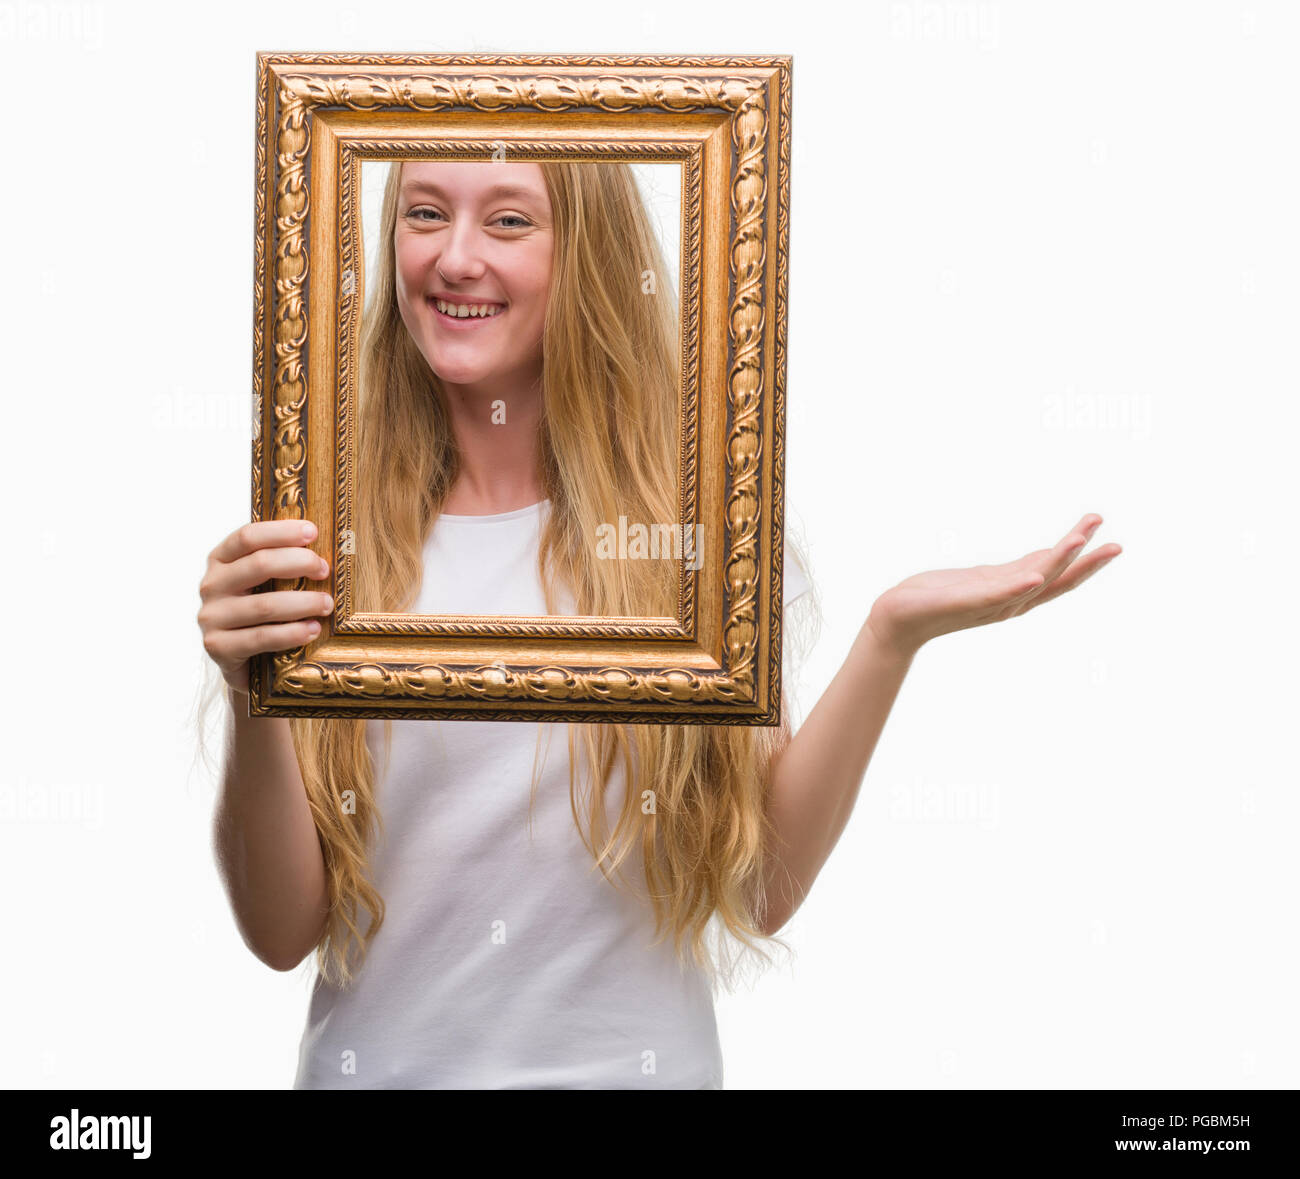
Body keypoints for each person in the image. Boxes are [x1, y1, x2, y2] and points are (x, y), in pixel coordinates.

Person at [195, 159, 1121, 1090]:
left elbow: (761, 889)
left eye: (510, 221)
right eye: (424, 213)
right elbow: (282, 933)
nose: (455, 256)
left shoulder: (689, 542)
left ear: (588, 253)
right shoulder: (320, 543)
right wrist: (248, 690)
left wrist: (891, 634)